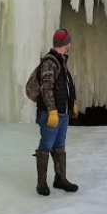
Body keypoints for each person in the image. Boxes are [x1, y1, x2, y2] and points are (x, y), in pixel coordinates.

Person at [34, 28, 79, 196]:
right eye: (69, 41)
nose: (70, 44)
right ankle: (41, 183)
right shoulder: (49, 62)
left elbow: (66, 86)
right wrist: (52, 109)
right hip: (52, 113)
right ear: (64, 44)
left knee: (59, 146)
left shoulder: (61, 61)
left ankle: (60, 179)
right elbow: (46, 88)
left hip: (63, 112)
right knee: (46, 146)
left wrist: (72, 101)